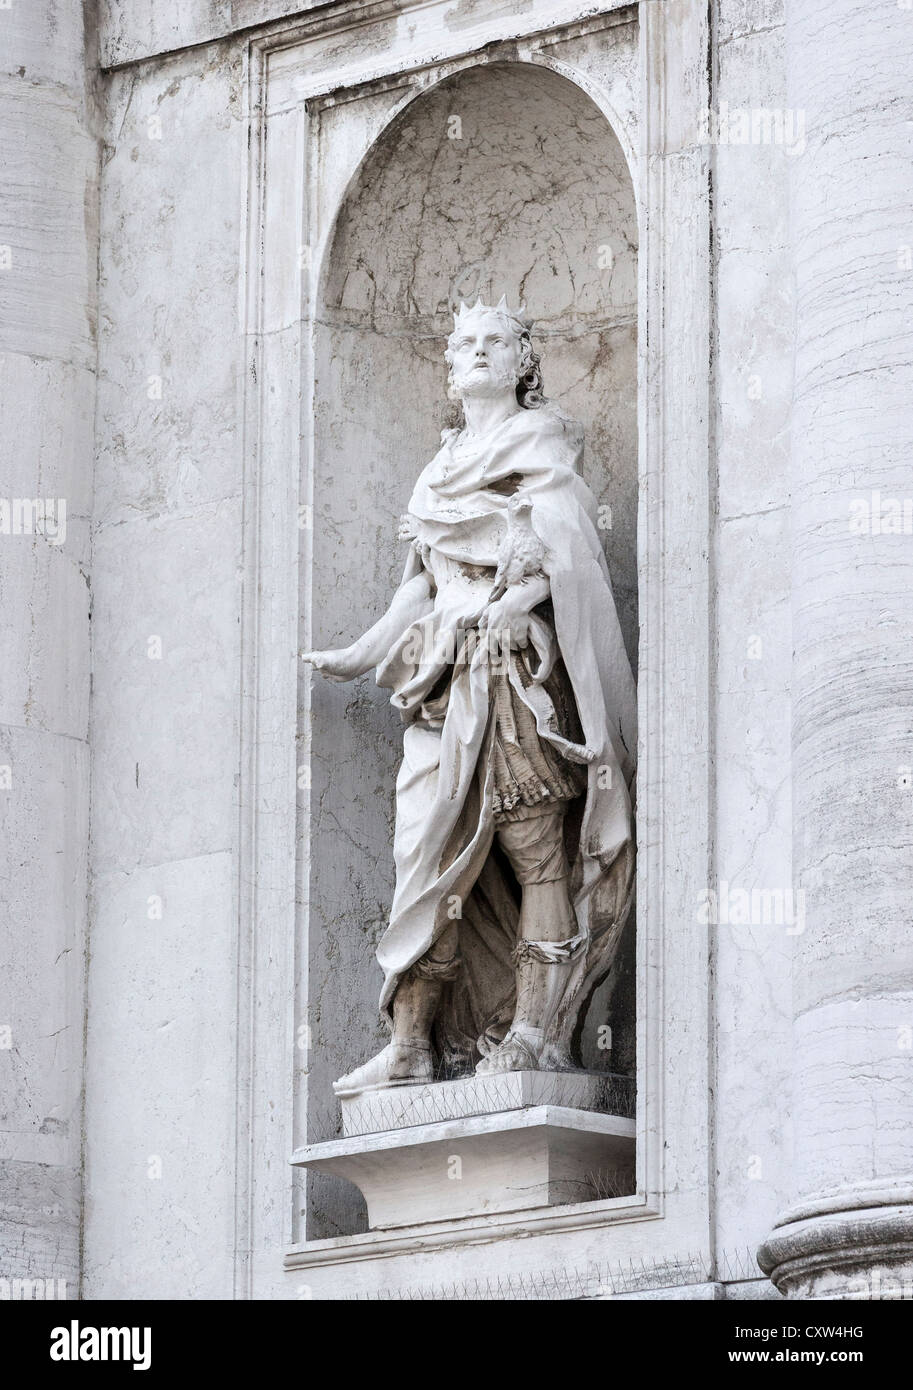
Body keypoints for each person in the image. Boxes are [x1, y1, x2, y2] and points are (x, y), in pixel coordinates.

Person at [302, 296, 636, 1094]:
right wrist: (360, 652)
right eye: (464, 344)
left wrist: (515, 602)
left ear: (524, 361)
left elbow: (567, 552)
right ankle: (413, 1042)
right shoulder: (437, 470)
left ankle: (535, 1033)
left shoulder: (540, 443)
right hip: (443, 683)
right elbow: (416, 588)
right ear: (449, 370)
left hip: (512, 678)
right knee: (424, 861)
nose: (478, 352)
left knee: (533, 855)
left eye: (495, 341)